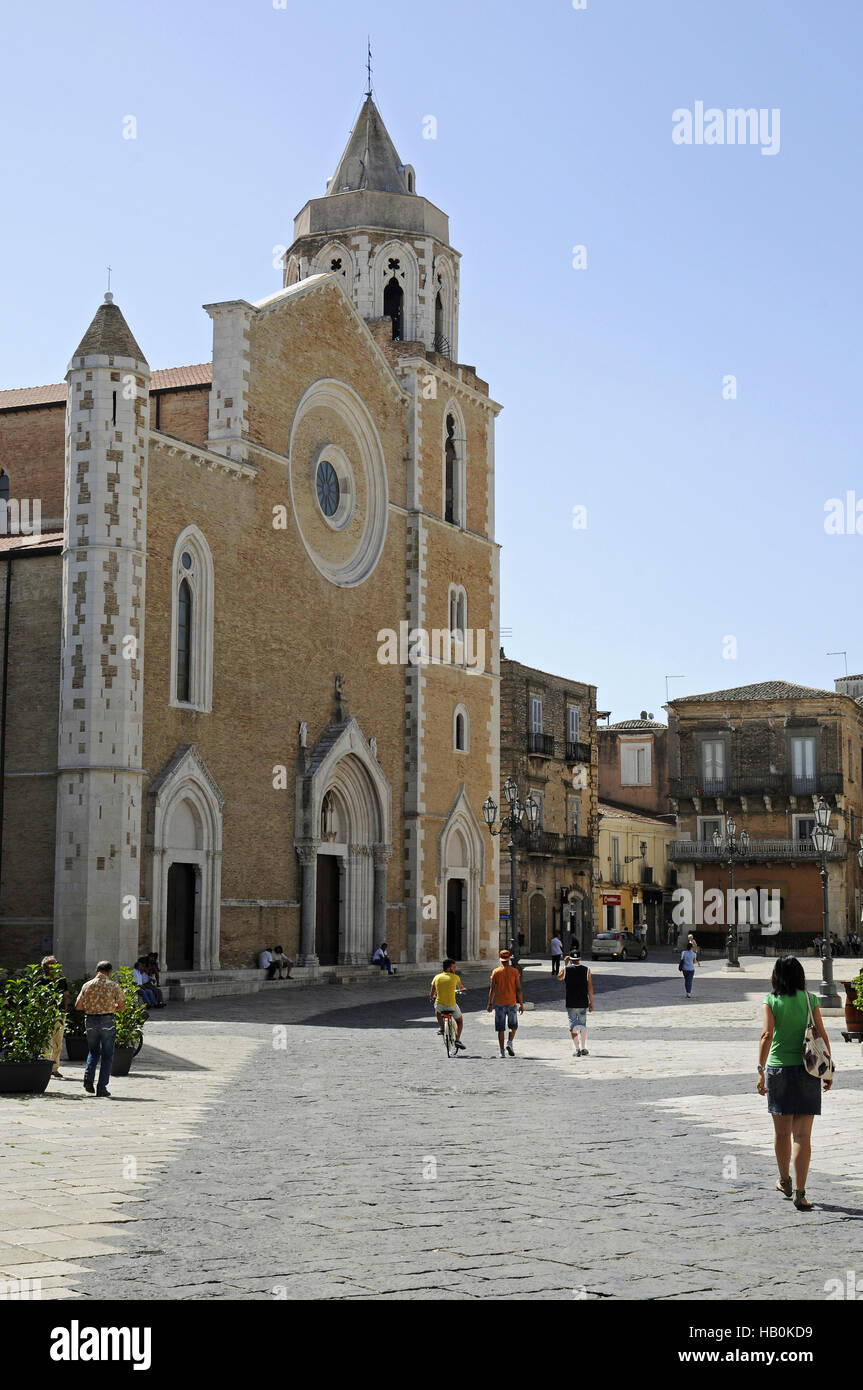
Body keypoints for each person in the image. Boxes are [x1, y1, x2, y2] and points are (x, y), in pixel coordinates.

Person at [756, 955, 833, 1211]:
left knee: (781, 1133)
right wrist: (828, 1069)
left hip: (778, 1069)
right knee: (802, 1135)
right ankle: (801, 1193)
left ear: (776, 976)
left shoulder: (771, 1000)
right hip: (808, 1070)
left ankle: (785, 1181)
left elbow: (767, 1035)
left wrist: (759, 1069)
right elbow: (821, 1034)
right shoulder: (810, 1000)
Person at [75, 962, 126, 1098]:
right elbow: (122, 1006)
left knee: (93, 1051)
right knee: (107, 1055)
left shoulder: (87, 985)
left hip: (91, 1020)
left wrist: (92, 1006)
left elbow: (78, 1006)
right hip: (107, 1021)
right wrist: (111, 1007)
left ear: (97, 970)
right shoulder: (113, 985)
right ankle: (102, 1087)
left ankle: (88, 1080)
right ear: (109, 972)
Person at [488, 948, 524, 1057]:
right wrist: (521, 1003)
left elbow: (492, 989)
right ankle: (509, 1042)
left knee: (500, 1029)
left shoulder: (496, 972)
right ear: (509, 960)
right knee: (513, 1026)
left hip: (499, 1003)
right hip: (512, 1002)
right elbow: (518, 989)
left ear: (501, 959)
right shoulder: (514, 972)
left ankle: (501, 1051)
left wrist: (490, 1003)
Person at [559, 945, 594, 1057]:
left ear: (571, 959)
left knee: (573, 1026)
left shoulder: (566, 970)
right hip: (583, 1001)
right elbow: (590, 988)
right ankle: (584, 1047)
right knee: (583, 1025)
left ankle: (577, 1049)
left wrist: (565, 964)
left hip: (571, 1002)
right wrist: (591, 1002)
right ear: (580, 958)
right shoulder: (586, 970)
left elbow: (559, 977)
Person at [40, 956, 68, 1080]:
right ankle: (45, 1066)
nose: (56, 966)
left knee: (58, 1042)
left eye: (56, 963)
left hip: (59, 1013)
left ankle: (54, 1069)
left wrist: (65, 1011)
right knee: (46, 1041)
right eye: (52, 964)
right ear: (46, 967)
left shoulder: (62, 980)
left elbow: (65, 996)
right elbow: (37, 998)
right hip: (45, 1013)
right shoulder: (41, 980)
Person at [429, 959, 466, 1050]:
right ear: (449, 968)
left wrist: (432, 997)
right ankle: (457, 1040)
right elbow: (461, 988)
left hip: (440, 1005)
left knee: (437, 1010)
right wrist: (462, 990)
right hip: (451, 1005)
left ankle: (441, 1027)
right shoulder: (455, 977)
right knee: (460, 1021)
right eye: (454, 967)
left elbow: (432, 992)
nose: (455, 968)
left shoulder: (436, 977)